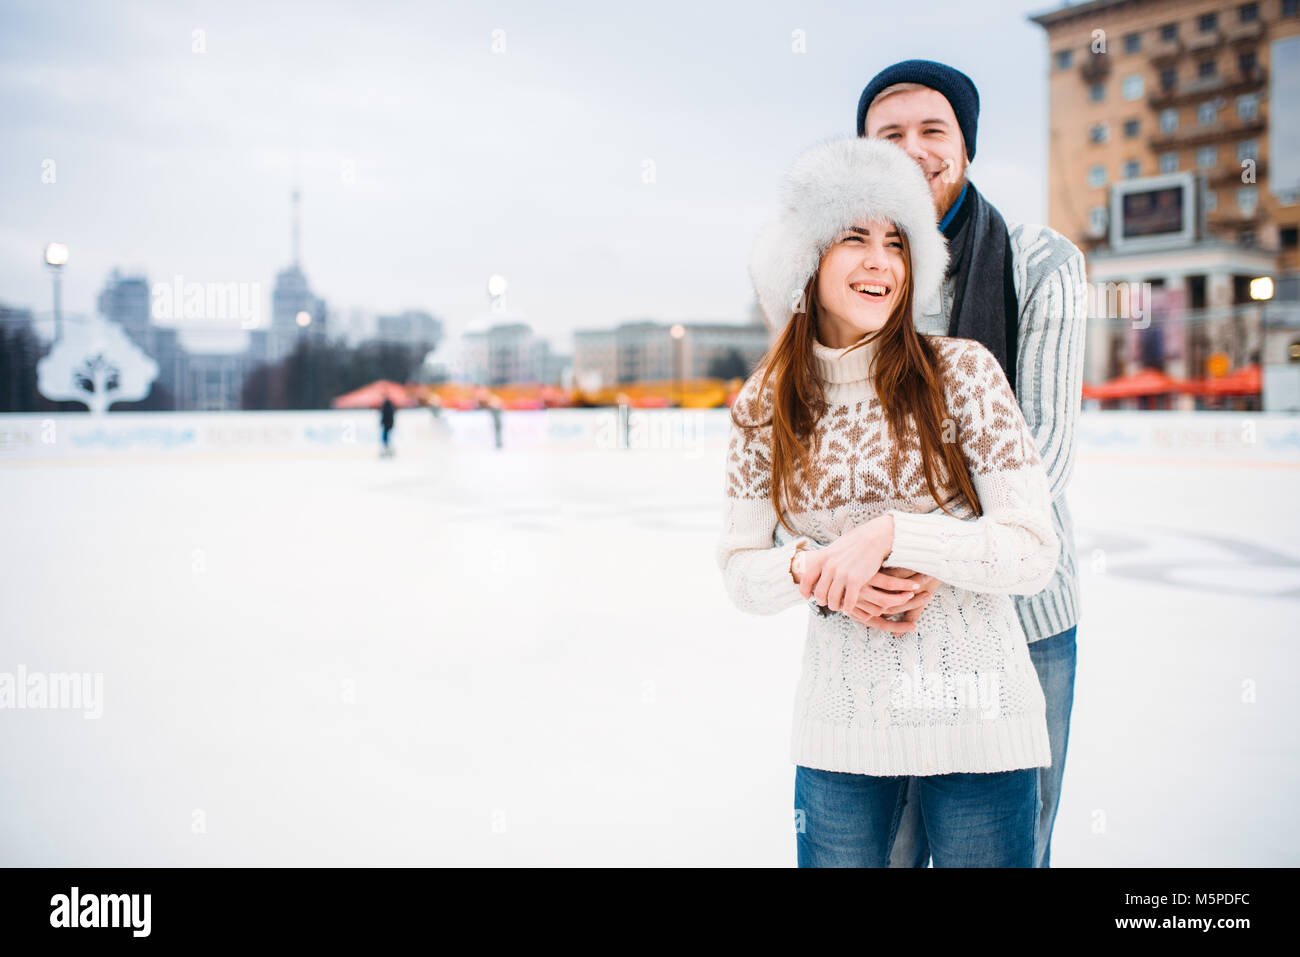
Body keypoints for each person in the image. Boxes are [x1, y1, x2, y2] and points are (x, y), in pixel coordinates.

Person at [718, 135, 1060, 867]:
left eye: (897, 244)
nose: (881, 261)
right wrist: (815, 569)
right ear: (806, 261)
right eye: (855, 238)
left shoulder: (963, 372)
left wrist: (898, 534)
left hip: (978, 717)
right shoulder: (761, 408)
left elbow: (1033, 551)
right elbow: (741, 569)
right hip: (841, 732)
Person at [854, 60, 1087, 868]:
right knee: (895, 843)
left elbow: (1046, 444)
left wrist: (932, 550)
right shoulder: (852, 272)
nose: (913, 149)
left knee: (1009, 842)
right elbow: (827, 439)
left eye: (933, 131)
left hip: (1024, 614)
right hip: (890, 617)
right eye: (890, 136)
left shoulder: (1042, 262)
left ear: (967, 145)